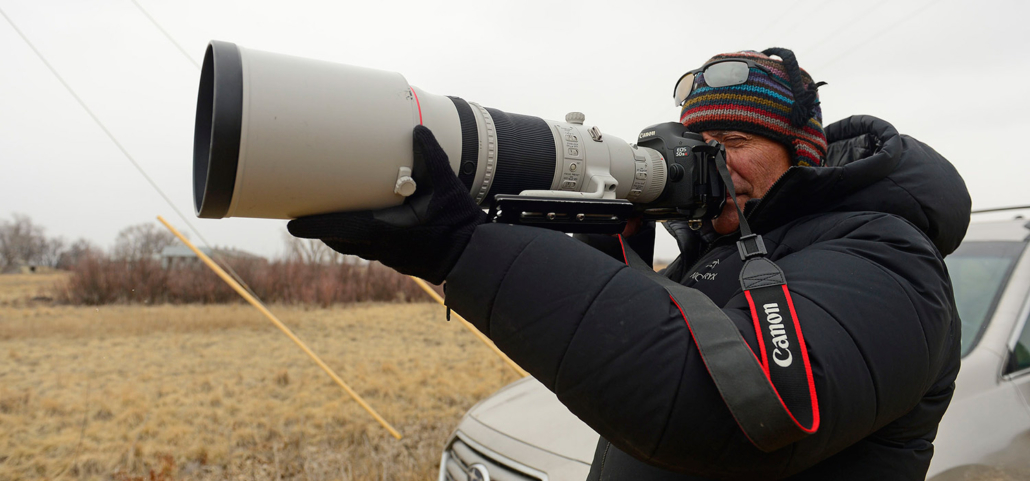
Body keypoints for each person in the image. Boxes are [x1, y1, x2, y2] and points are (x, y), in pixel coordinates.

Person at [288, 48, 970, 480]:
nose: (712, 160)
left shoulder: (888, 257)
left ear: (805, 152)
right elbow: (622, 359)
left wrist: (463, 249)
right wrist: (599, 240)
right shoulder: (720, 255)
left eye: (733, 139)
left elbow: (724, 409)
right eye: (698, 142)